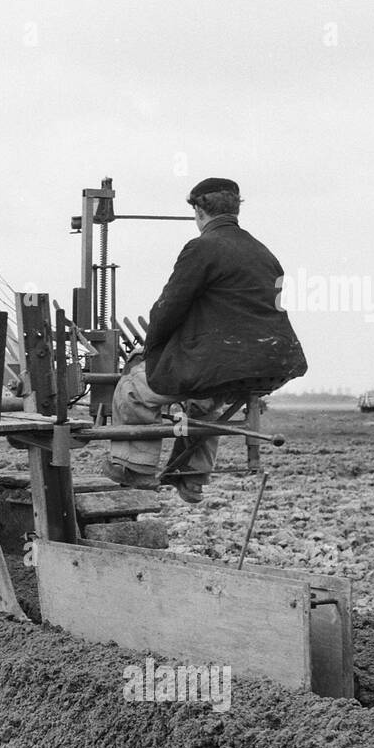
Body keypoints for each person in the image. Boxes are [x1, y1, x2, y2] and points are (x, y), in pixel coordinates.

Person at [103, 177, 306, 504]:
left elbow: (169, 307)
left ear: (199, 211)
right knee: (207, 399)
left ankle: (134, 470)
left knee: (131, 390)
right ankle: (191, 478)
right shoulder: (263, 253)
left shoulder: (202, 248)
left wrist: (152, 348)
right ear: (236, 209)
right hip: (270, 363)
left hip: (222, 363)